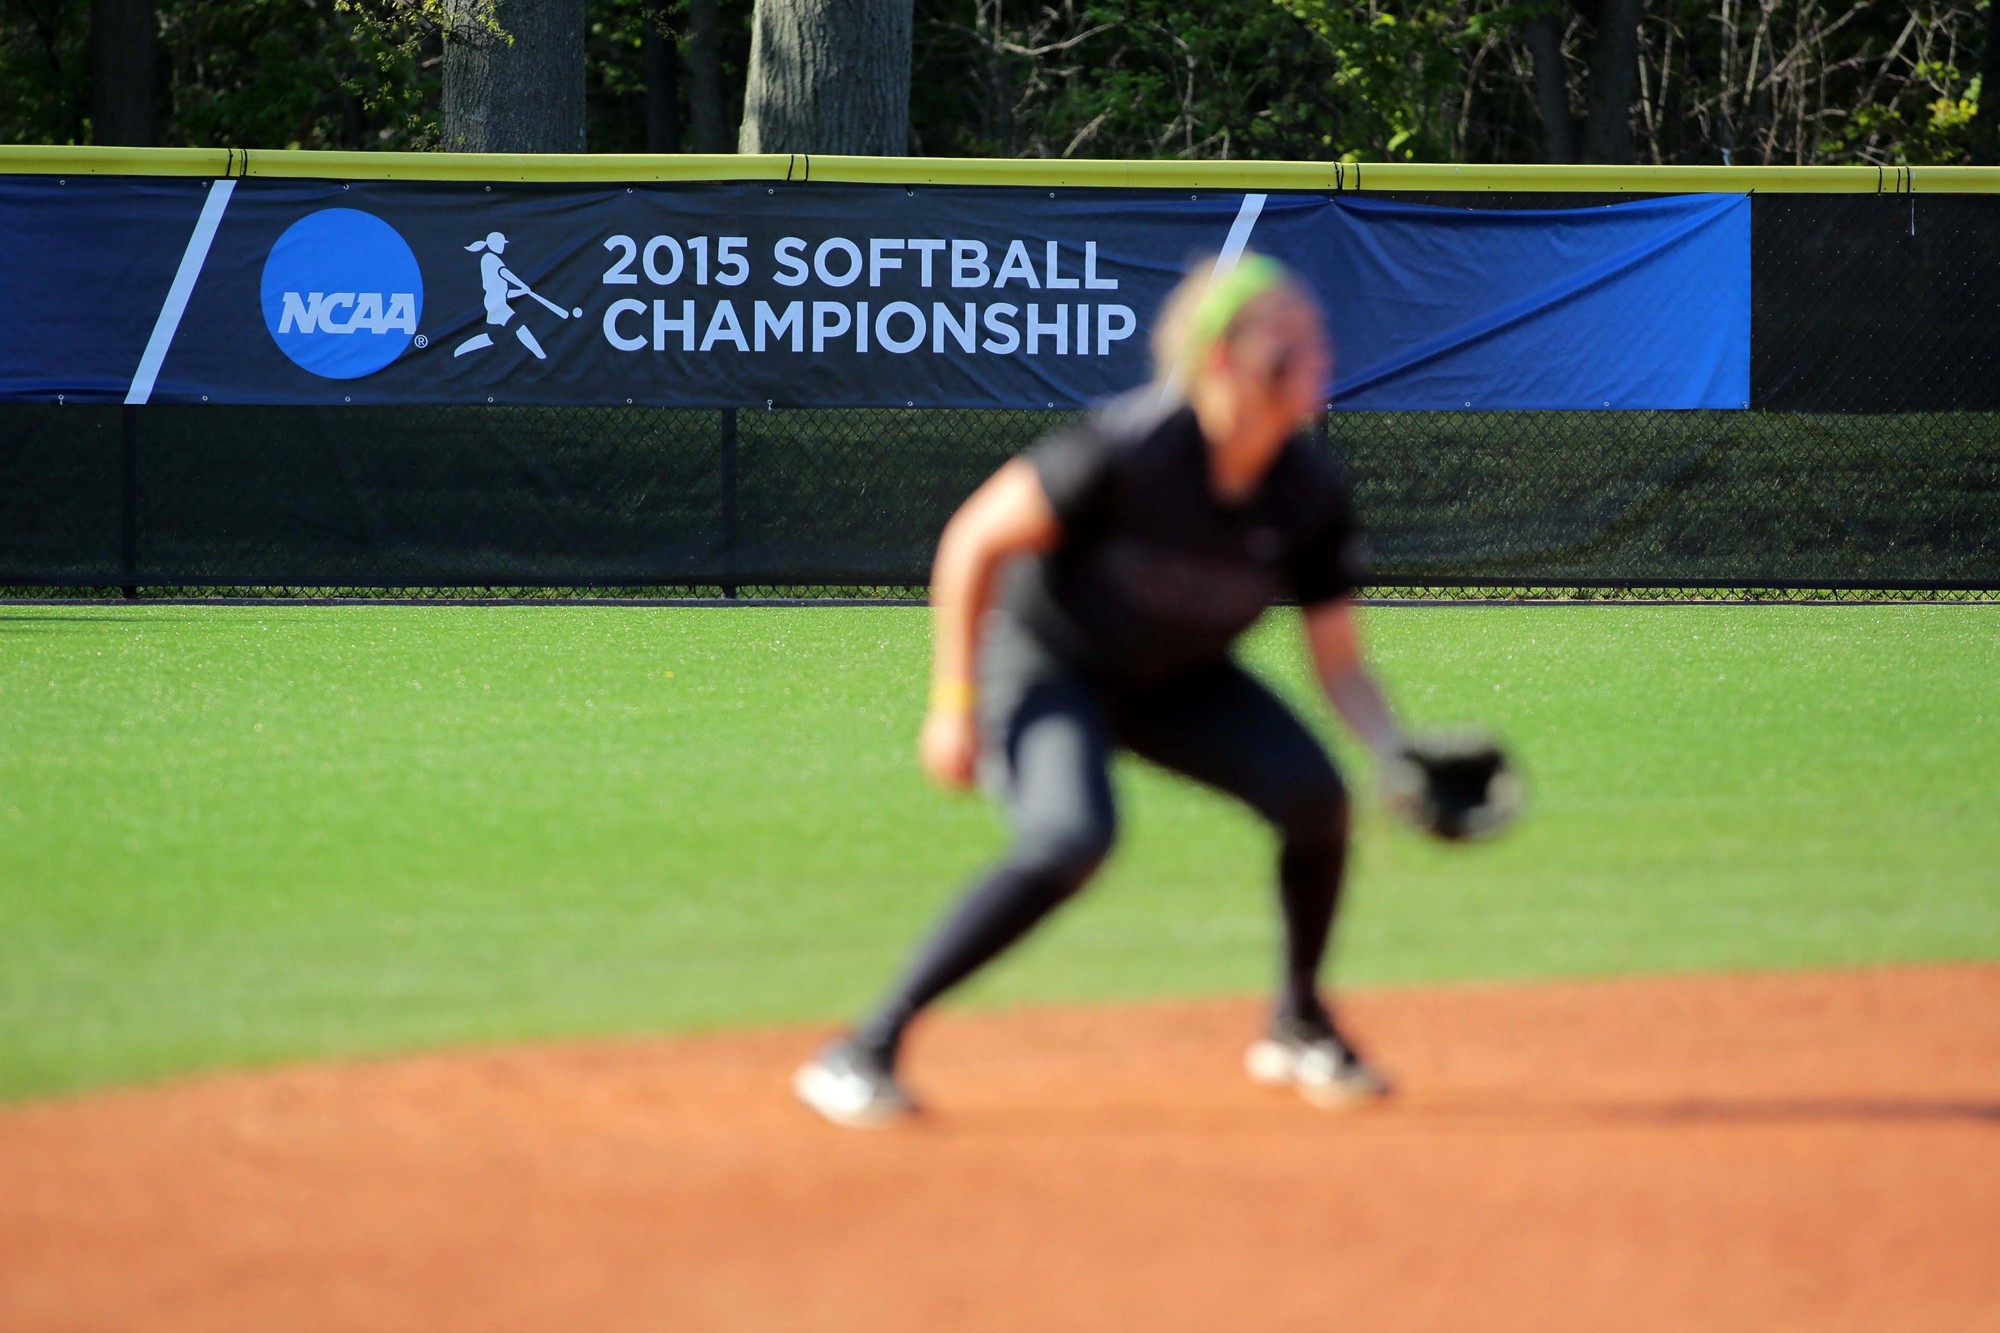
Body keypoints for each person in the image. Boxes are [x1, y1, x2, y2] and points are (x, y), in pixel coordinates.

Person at [795, 253, 1415, 1129]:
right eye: (1287, 348)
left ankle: (1298, 1021)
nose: (1312, 363)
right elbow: (974, 541)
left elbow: (1340, 662)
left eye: (1314, 346)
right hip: (1054, 666)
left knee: (1318, 799)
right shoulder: (1130, 451)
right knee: (1069, 838)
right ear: (1221, 359)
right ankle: (862, 1049)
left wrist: (1392, 752)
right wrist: (954, 704)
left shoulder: (1308, 489)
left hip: (1181, 680)